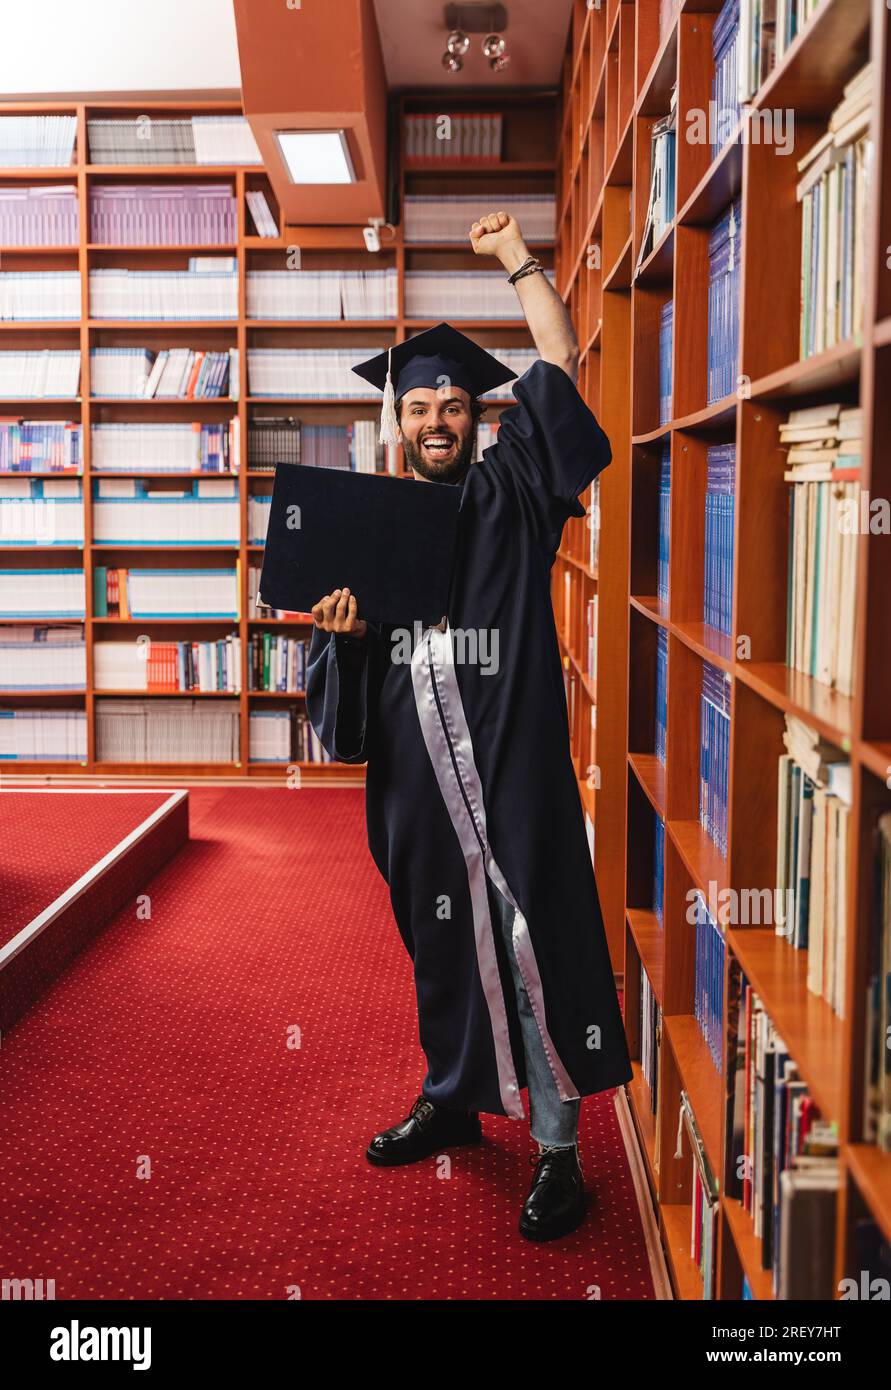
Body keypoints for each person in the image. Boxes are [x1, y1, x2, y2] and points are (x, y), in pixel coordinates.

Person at [306, 211, 633, 1242]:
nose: (438, 417)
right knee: (443, 945)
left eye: (454, 402)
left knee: (538, 948)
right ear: (394, 425)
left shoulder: (515, 497)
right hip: (418, 792)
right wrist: (344, 636)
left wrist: (520, 264)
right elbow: (341, 726)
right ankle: (453, 1098)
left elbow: (559, 358)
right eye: (420, 406)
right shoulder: (365, 527)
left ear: (478, 419)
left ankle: (561, 1153)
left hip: (514, 780)